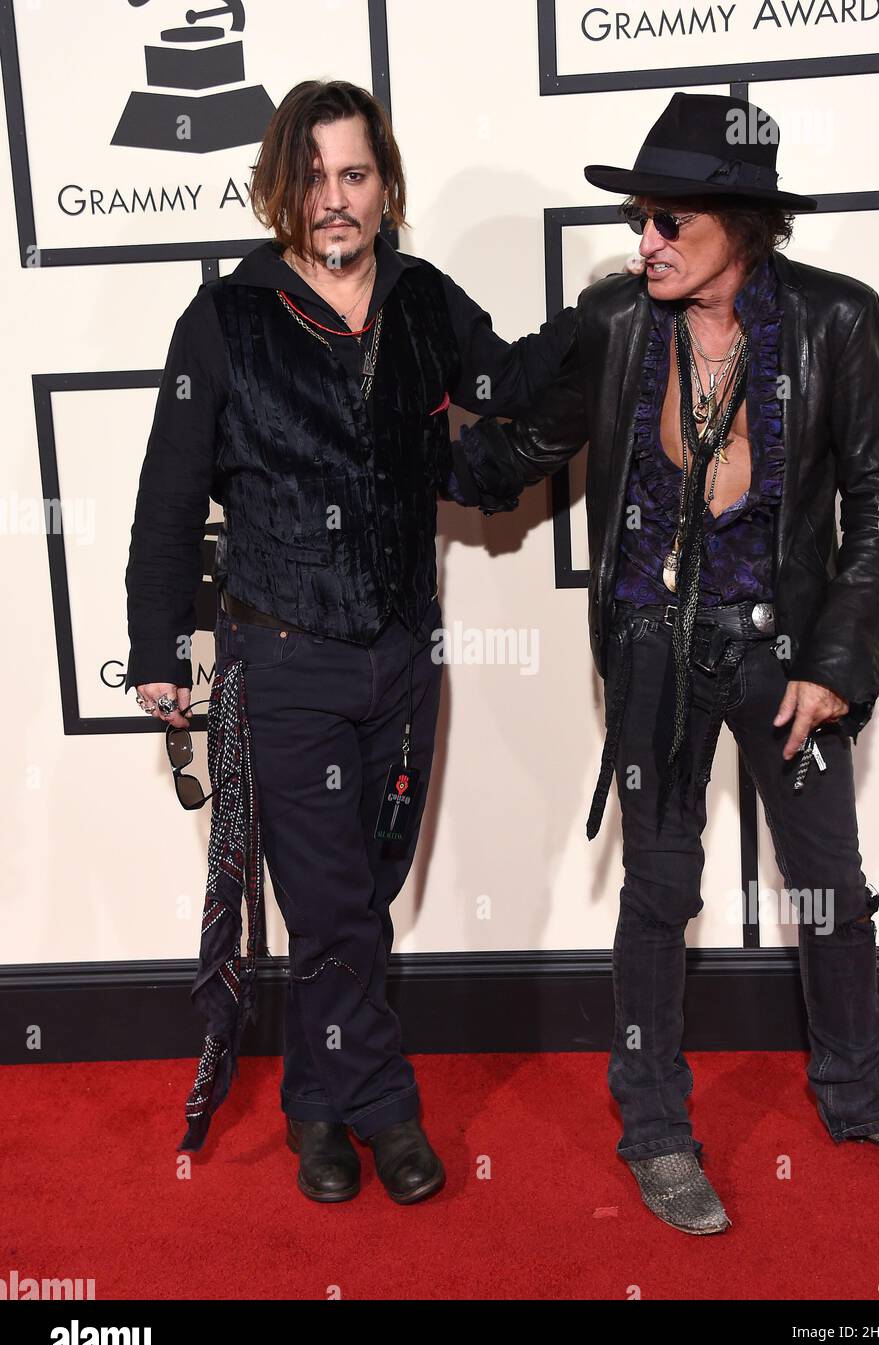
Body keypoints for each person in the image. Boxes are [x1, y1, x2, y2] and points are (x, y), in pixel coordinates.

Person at [453, 92, 879, 1234]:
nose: (644, 241)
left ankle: (859, 1090)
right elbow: (514, 454)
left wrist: (833, 663)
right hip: (652, 646)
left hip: (781, 651)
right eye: (640, 219)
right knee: (659, 891)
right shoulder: (614, 324)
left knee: (828, 886)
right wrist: (389, 437)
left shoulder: (837, 321)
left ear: (740, 223)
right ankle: (653, 1126)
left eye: (668, 223)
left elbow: (878, 500)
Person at [124, 78, 575, 1206]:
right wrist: (153, 647)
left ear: (385, 187)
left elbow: (503, 383)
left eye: (355, 174)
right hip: (282, 659)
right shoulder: (224, 320)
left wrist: (606, 323)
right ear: (283, 186)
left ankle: (314, 1107)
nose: (335, 199)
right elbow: (169, 500)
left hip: (401, 656)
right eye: (314, 175)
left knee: (360, 890)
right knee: (327, 899)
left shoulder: (422, 301)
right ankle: (385, 1105)